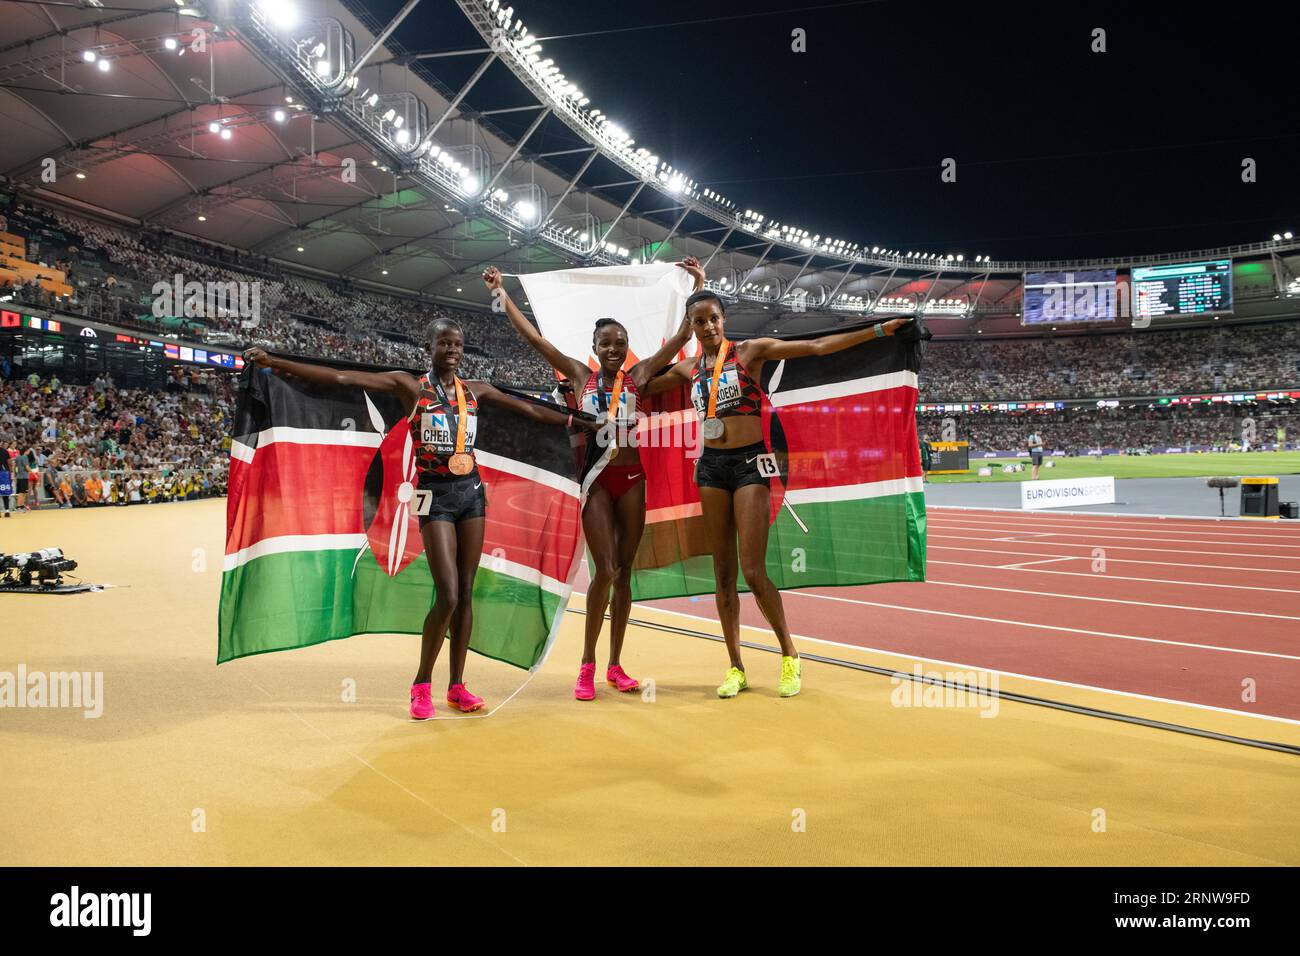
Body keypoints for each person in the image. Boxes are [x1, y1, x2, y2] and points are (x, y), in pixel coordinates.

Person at [244, 318, 599, 721]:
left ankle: (457, 686)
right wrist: (275, 362)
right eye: (445, 343)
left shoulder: (474, 392)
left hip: (472, 496)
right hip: (434, 496)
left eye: (458, 344)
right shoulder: (409, 386)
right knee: (447, 593)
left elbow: (528, 409)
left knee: (466, 593)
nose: (453, 350)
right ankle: (421, 684)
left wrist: (579, 422)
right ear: (428, 347)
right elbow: (342, 376)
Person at [647, 292, 912, 698]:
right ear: (692, 328)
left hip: (750, 464)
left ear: (724, 318)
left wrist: (878, 330)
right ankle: (735, 667)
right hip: (711, 469)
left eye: (713, 318)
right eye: (699, 322)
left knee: (752, 572)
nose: (709, 327)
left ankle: (789, 655)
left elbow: (817, 347)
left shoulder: (750, 352)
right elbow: (640, 383)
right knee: (722, 575)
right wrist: (675, 336)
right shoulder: (687, 368)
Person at [482, 258, 704, 701]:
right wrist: (501, 294)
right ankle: (585, 665)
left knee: (624, 576)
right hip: (597, 484)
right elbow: (534, 339)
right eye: (607, 343)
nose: (615, 349)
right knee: (605, 569)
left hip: (634, 479)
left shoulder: (640, 376)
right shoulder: (579, 376)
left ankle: (615, 665)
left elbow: (683, 335)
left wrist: (698, 284)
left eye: (620, 342)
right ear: (595, 346)